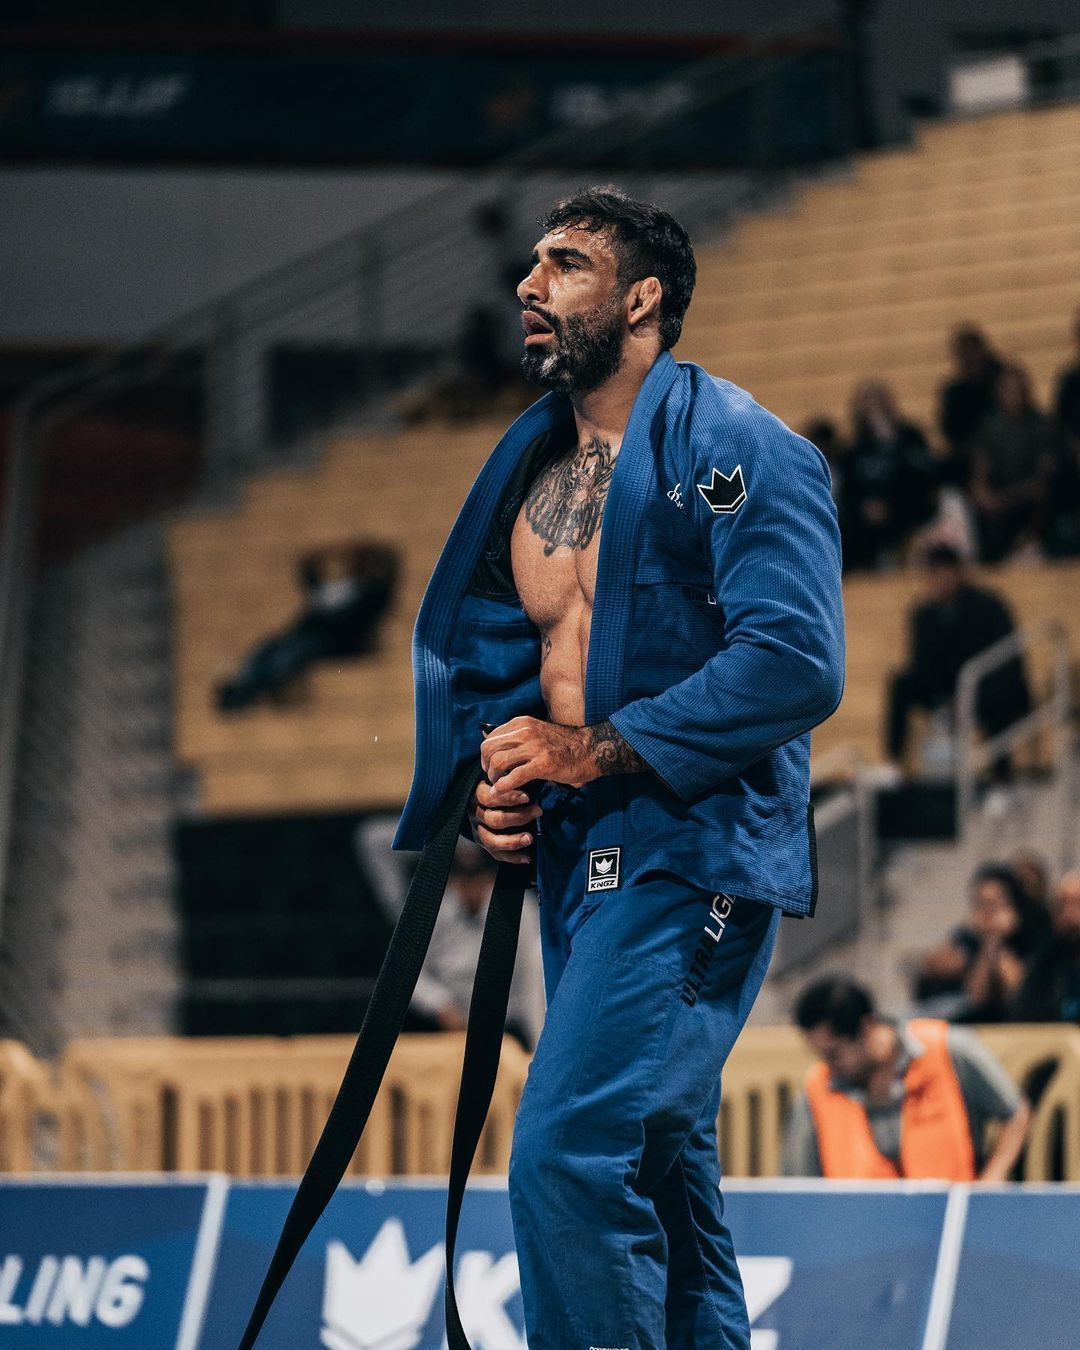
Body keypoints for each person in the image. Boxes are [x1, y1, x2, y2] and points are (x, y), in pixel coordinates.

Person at [392, 188, 845, 1349]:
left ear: (642, 299)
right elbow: (515, 666)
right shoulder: (530, 470)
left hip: (691, 849)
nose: (528, 286)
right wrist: (496, 785)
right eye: (532, 264)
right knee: (656, 1158)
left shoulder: (742, 447)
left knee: (566, 1152)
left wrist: (589, 746)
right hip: (577, 856)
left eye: (567, 265)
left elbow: (795, 662)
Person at [783, 976, 1031, 1181]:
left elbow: (1015, 1113)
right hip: (861, 1233)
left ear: (866, 1028)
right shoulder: (817, 1089)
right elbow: (798, 1186)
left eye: (834, 1053)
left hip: (950, 1226)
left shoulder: (949, 1050)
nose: (829, 1066)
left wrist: (990, 1183)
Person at [356, 813, 545, 1049]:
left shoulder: (520, 909)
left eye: (476, 880)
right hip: (447, 1024)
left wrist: (537, 1043)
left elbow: (531, 982)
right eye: (462, 880)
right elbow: (407, 970)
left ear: (489, 878)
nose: (469, 888)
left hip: (506, 1024)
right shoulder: (434, 910)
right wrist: (441, 1004)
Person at [884, 543, 1030, 776]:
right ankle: (893, 765)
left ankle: (1002, 776)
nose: (938, 580)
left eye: (943, 572)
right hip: (951, 688)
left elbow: (1006, 660)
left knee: (996, 695)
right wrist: (948, 700)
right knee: (900, 683)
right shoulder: (924, 614)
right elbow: (922, 663)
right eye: (932, 573)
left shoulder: (988, 606)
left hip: (988, 685)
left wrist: (967, 693)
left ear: (956, 573)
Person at [215, 541, 398, 711]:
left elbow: (389, 576)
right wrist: (333, 554)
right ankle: (245, 680)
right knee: (270, 646)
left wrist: (376, 559)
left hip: (335, 640)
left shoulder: (370, 591)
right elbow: (308, 570)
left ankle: (254, 687)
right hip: (306, 632)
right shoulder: (334, 588)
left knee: (294, 652)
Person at [914, 863, 1049, 1020]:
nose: (987, 913)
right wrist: (991, 941)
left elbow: (1018, 992)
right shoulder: (969, 936)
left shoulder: (1033, 936)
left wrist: (999, 942)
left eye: (994, 904)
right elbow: (976, 997)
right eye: (981, 904)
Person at [840, 380, 936, 570]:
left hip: (905, 510)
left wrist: (892, 505)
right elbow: (848, 489)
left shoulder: (910, 436)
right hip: (865, 518)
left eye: (878, 402)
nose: (874, 409)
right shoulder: (855, 448)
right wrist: (865, 506)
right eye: (868, 404)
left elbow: (923, 476)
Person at [970, 362, 1055, 562]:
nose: (1014, 395)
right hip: (999, 501)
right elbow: (979, 471)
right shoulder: (990, 428)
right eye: (1008, 389)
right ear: (999, 392)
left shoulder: (1041, 425)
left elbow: (1043, 480)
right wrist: (983, 494)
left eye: (1019, 389)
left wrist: (1005, 499)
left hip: (1026, 500)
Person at [938, 324, 1003, 486]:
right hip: (969, 454)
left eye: (971, 351)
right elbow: (950, 429)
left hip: (1003, 448)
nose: (969, 357)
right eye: (964, 353)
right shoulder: (954, 392)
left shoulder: (1000, 381)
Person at [1015, 872, 1080, 1024]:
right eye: (1062, 906)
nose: (1069, 915)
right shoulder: (1045, 962)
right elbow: (1023, 1013)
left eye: (1078, 904)